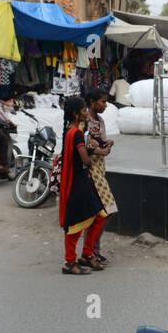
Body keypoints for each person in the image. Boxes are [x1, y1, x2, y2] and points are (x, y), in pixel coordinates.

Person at [59, 97, 106, 275]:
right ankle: (70, 262)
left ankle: (86, 254)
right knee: (75, 225)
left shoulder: (70, 131)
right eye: (84, 110)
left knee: (99, 215)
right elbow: (85, 160)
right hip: (78, 183)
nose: (87, 113)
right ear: (75, 113)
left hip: (79, 182)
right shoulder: (76, 134)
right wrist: (93, 152)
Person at [84, 87, 118, 265]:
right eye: (102, 101)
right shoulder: (86, 120)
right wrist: (102, 150)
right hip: (90, 170)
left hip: (99, 169)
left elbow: (100, 141)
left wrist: (106, 144)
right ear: (92, 102)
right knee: (105, 210)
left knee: (101, 212)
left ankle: (92, 249)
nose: (105, 105)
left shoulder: (100, 119)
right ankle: (90, 251)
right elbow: (87, 145)